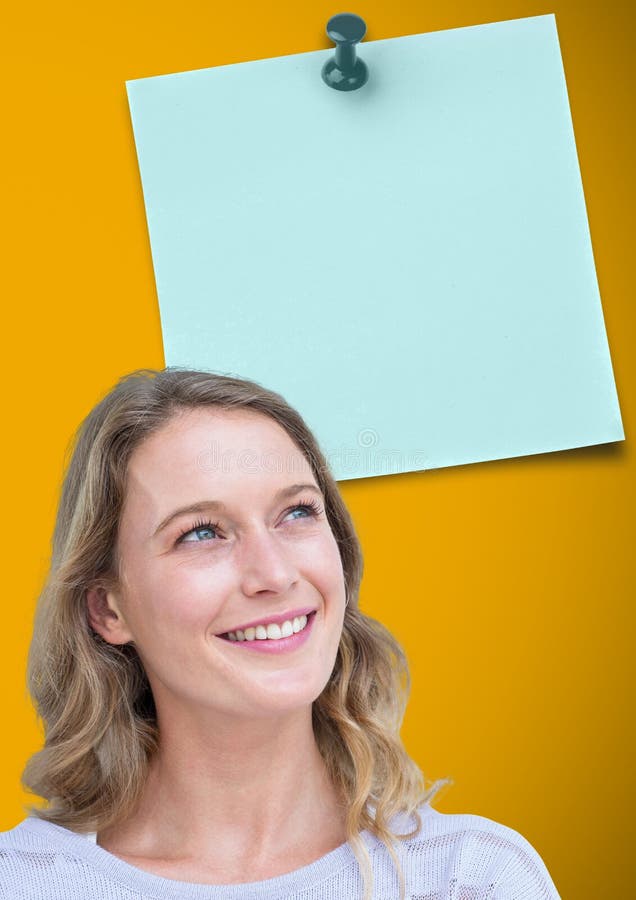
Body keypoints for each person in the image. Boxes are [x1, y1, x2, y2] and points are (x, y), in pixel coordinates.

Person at [0, 367, 561, 899]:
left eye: (296, 513)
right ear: (108, 610)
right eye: (201, 532)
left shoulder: (471, 878)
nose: (274, 574)